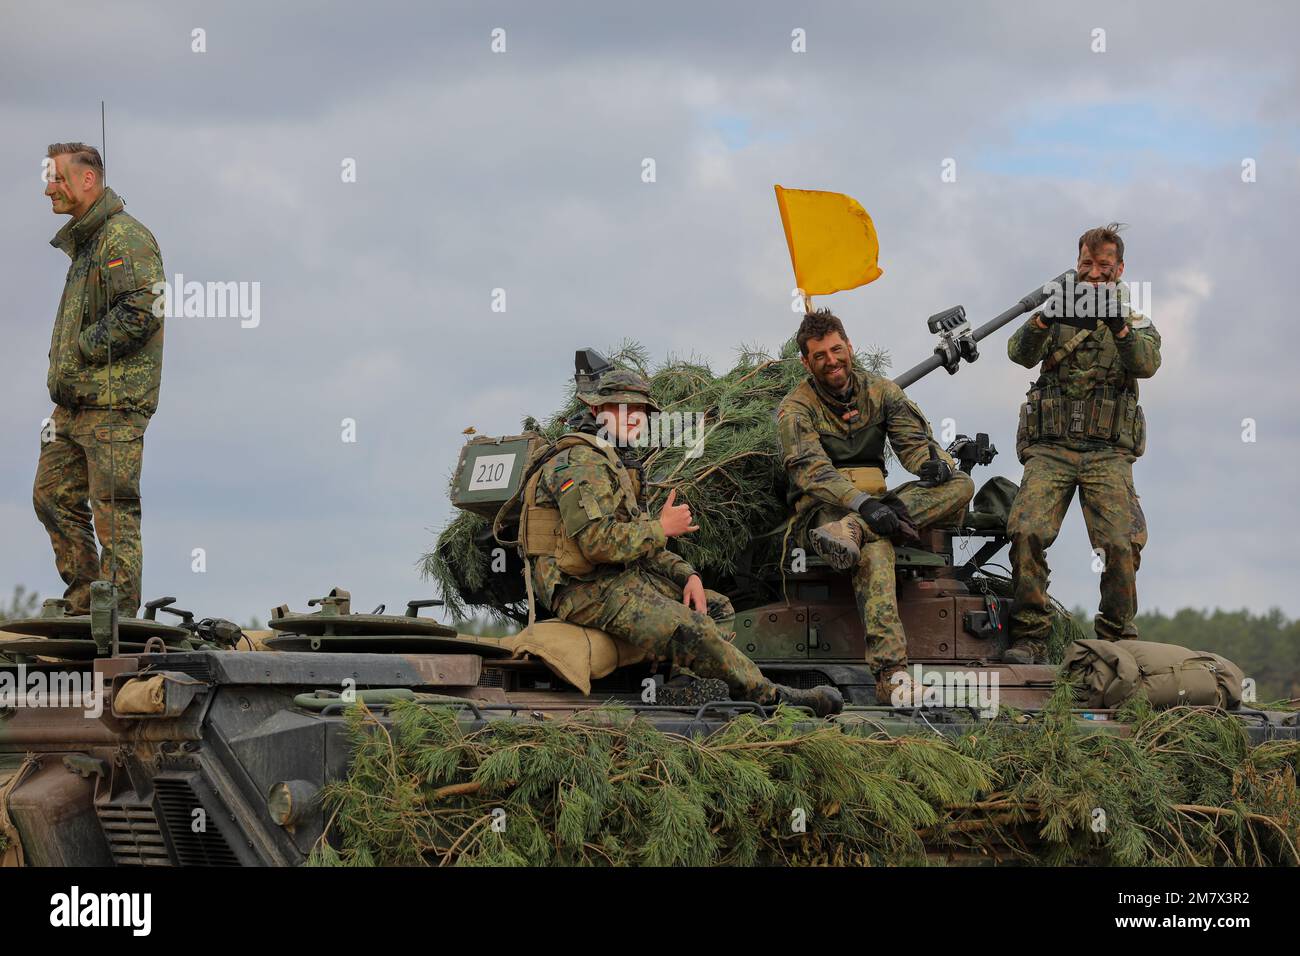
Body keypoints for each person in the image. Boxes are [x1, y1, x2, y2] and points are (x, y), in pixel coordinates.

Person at [516, 366, 843, 716]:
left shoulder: (613, 461)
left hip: (614, 580)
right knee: (692, 627)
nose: (631, 418)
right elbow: (600, 544)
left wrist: (688, 575)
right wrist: (662, 527)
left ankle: (682, 688)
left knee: (714, 607)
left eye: (639, 411)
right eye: (620, 408)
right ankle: (773, 699)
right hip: (581, 589)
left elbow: (641, 546)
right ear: (597, 411)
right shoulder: (581, 463)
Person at [778, 310, 974, 703]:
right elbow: (812, 473)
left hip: (876, 507)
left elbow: (913, 444)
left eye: (837, 350)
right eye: (820, 356)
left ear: (850, 347)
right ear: (806, 362)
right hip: (821, 513)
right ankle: (891, 676)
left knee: (961, 484)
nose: (831, 361)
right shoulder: (795, 409)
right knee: (877, 547)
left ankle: (854, 530)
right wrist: (862, 506)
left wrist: (931, 464)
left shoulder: (881, 392)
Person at [1003, 223, 1160, 663]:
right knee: (1027, 530)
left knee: (1119, 544)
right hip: (1051, 447)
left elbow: (1148, 363)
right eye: (1085, 264)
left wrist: (1119, 328)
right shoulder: (1058, 309)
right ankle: (1030, 635)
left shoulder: (1134, 318)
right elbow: (1018, 352)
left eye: (1103, 266)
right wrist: (1045, 317)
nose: (1093, 273)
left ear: (1119, 269)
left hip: (1106, 452)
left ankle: (1114, 640)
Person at [35, 142, 164, 617]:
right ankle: (89, 599)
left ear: (87, 180)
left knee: (113, 508)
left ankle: (115, 618)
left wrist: (85, 347)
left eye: (57, 178)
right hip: (73, 404)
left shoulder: (123, 238)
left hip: (113, 402)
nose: (49, 188)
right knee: (51, 496)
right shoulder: (88, 242)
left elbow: (147, 305)